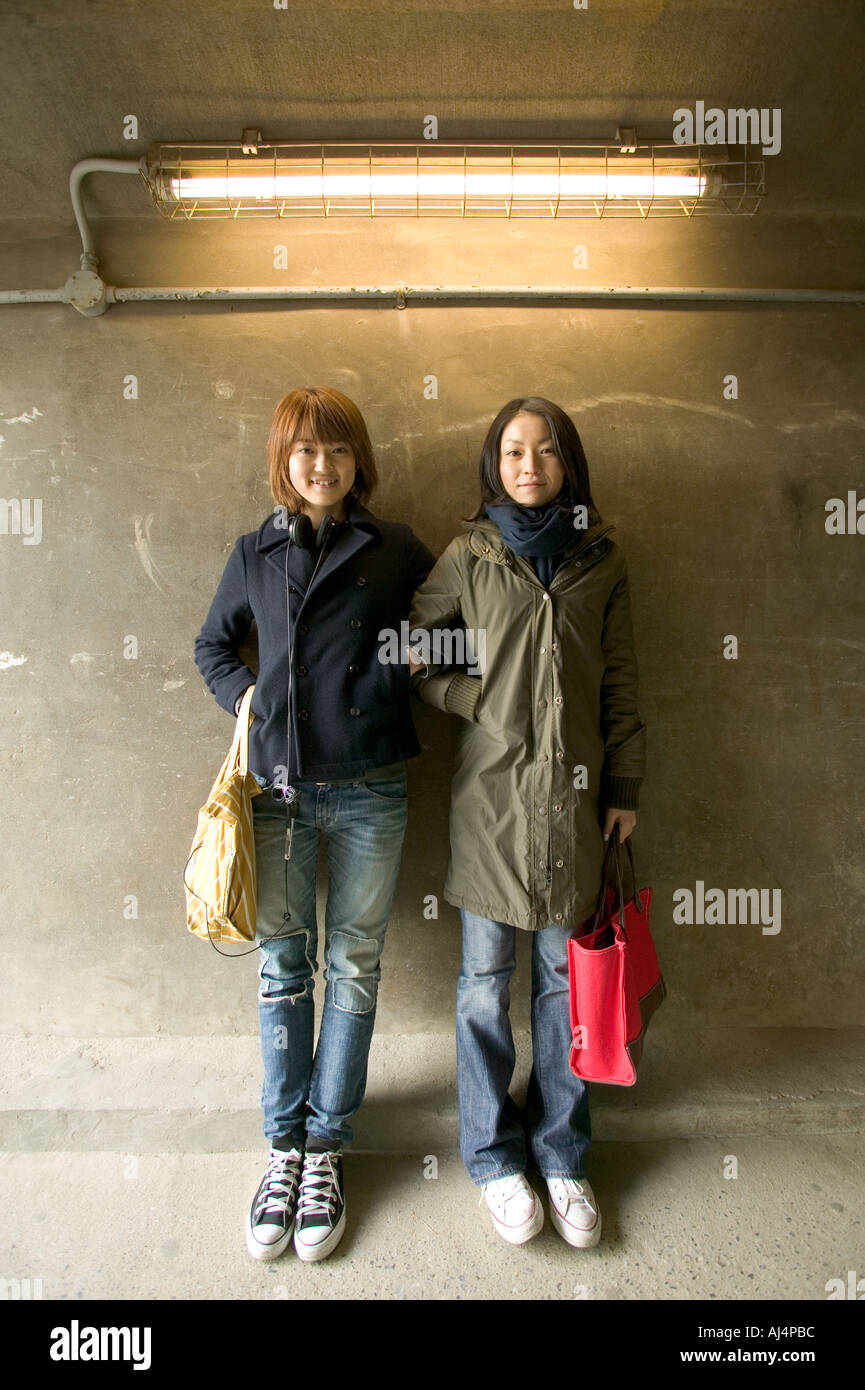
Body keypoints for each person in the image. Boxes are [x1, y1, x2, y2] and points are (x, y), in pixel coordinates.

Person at [194, 386, 434, 1263]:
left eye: (336, 450)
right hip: (280, 794)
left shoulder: (396, 546)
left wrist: (401, 668)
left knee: (355, 962)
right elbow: (211, 646)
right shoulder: (254, 549)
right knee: (283, 965)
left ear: (357, 461)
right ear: (283, 462)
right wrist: (245, 695)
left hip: (371, 788)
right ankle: (282, 1148)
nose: (322, 465)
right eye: (305, 451)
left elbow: (459, 629)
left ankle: (327, 1148)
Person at [407, 396, 646, 1248]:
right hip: (489, 809)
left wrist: (624, 783)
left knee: (560, 986)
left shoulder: (602, 562)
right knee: (481, 987)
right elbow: (410, 645)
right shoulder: (470, 556)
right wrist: (469, 696)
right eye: (512, 451)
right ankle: (492, 1158)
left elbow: (618, 680)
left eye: (544, 451)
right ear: (493, 465)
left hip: (574, 813)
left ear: (566, 464)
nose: (529, 465)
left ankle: (560, 1152)